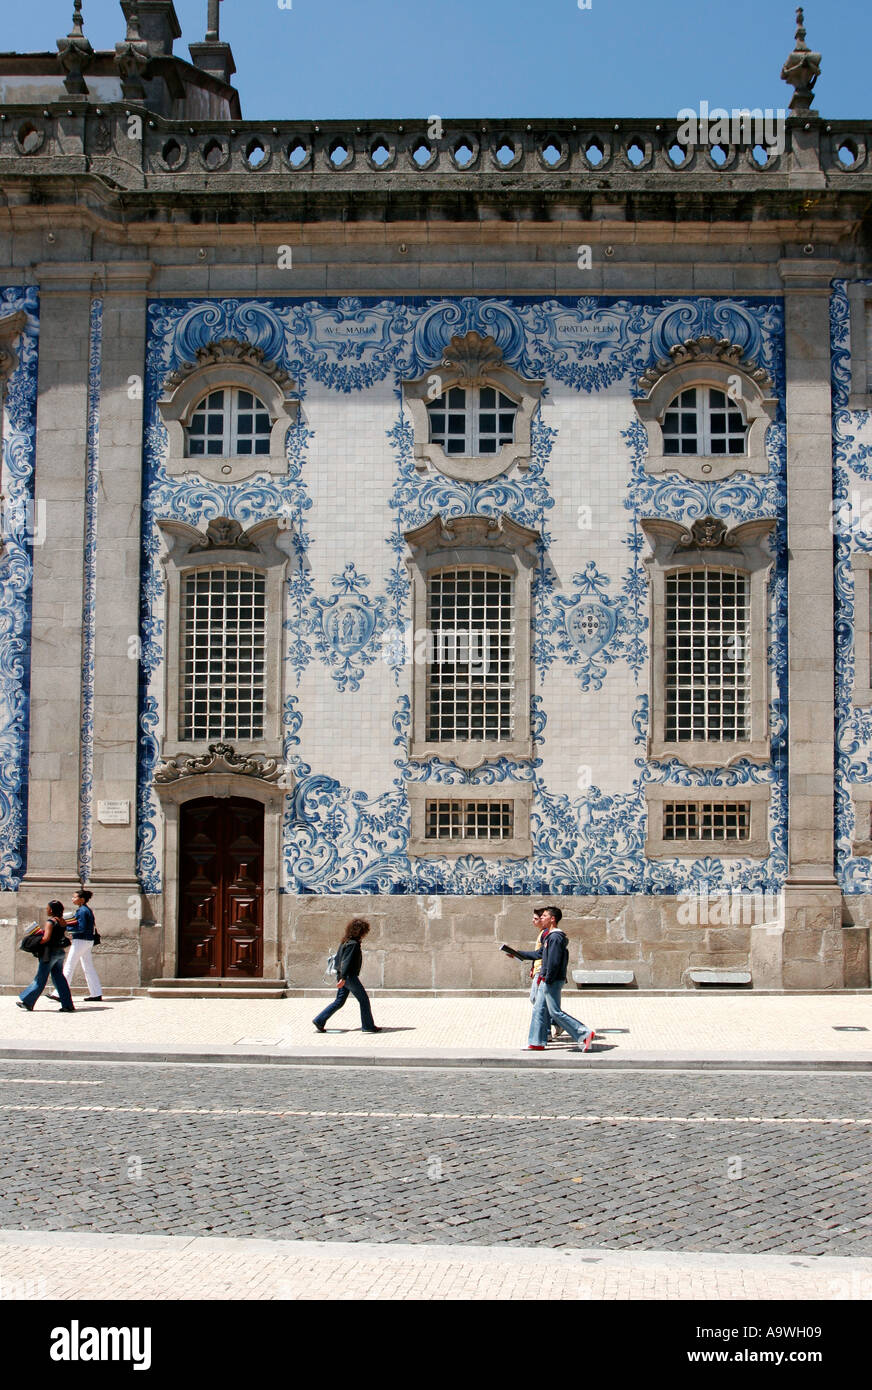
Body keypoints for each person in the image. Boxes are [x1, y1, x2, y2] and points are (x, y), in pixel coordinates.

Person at [502, 906, 594, 1052]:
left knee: (555, 1012)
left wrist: (547, 978)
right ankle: (536, 1042)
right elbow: (539, 954)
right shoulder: (548, 936)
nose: (541, 918)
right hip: (547, 978)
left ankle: (584, 1033)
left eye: (544, 916)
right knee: (538, 1009)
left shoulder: (556, 937)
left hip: (551, 980)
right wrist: (517, 954)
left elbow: (554, 961)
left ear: (552, 919)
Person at [313, 918, 381, 1034]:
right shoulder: (353, 944)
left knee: (339, 1001)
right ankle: (368, 1026)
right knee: (363, 1000)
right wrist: (343, 978)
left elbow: (338, 960)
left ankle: (319, 1020)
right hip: (349, 977)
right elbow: (347, 961)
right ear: (360, 931)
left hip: (343, 976)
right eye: (364, 931)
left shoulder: (345, 942)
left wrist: (340, 977)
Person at [17, 901, 75, 1013]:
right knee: (59, 978)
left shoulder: (50, 922)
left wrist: (35, 940)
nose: (46, 910)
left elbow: (46, 938)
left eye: (47, 908)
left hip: (50, 953)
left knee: (40, 978)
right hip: (60, 952)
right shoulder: (63, 921)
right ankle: (68, 1004)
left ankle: (28, 1002)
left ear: (52, 910)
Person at [51, 887, 102, 1003]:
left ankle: (59, 993)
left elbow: (81, 927)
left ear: (82, 899)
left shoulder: (82, 911)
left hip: (80, 941)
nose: (72, 899)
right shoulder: (86, 910)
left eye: (75, 897)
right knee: (88, 967)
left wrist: (67, 927)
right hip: (87, 941)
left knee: (69, 965)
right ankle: (96, 993)